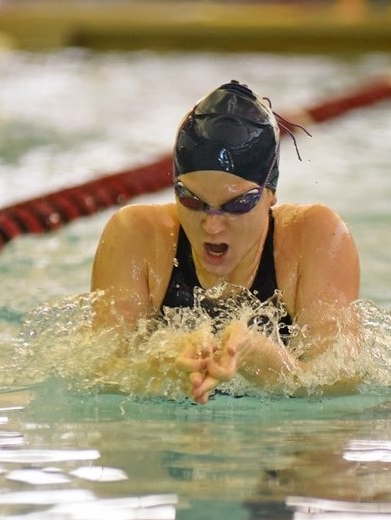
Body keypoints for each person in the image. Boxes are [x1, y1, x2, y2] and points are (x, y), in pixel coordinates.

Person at [90, 80, 360, 404]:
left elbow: (344, 385)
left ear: (270, 194)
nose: (212, 225)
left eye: (237, 204)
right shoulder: (135, 236)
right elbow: (96, 374)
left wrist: (265, 359)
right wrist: (162, 362)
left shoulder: (316, 237)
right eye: (191, 200)